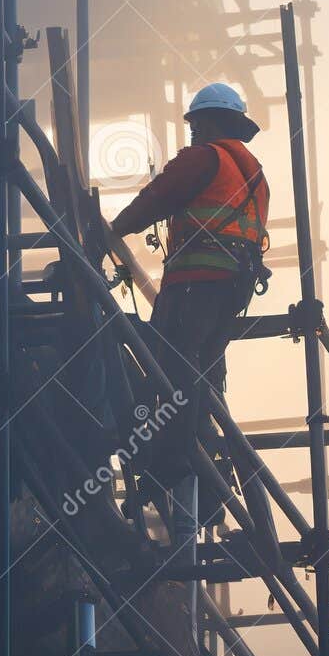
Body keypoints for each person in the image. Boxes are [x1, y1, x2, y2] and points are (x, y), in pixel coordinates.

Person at [102, 83, 270, 583]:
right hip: (230, 288)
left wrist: (109, 230)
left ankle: (174, 465)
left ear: (211, 123)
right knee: (200, 377)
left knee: (174, 372)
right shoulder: (252, 171)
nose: (193, 132)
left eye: (197, 125)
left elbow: (158, 198)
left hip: (196, 282)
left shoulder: (205, 160)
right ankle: (204, 475)